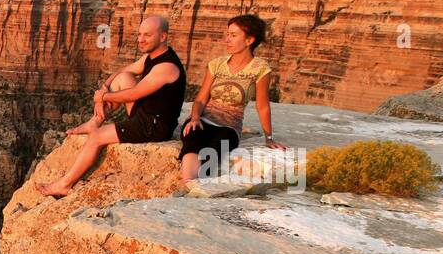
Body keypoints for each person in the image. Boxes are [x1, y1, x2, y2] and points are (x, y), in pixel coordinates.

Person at [36, 15, 185, 197]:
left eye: (147, 35)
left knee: (97, 137)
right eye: (139, 34)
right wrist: (105, 88)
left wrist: (103, 96)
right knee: (123, 79)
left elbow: (134, 94)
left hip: (153, 126)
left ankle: (64, 185)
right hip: (145, 113)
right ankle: (95, 120)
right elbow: (122, 71)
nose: (140, 39)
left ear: (162, 37)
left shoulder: (167, 66)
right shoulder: (150, 57)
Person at [180, 14, 284, 181]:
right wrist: (194, 117)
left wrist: (269, 138)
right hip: (203, 120)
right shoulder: (217, 64)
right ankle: (188, 183)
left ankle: (199, 185)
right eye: (227, 34)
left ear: (249, 40)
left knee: (216, 147)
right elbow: (200, 99)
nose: (227, 39)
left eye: (233, 35)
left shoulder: (260, 68)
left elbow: (262, 106)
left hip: (229, 127)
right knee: (192, 139)